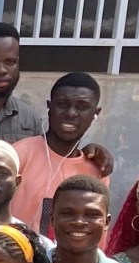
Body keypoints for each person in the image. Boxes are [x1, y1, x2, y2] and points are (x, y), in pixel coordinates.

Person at [12, 72, 108, 236]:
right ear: (49, 107)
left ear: (95, 113)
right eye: (63, 104)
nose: (71, 113)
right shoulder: (19, 155)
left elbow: (97, 233)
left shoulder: (97, 170)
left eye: (82, 107)